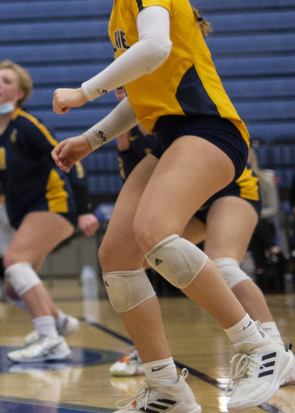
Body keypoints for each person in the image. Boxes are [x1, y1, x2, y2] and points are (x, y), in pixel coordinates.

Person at [52, 0, 294, 413]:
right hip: (168, 136)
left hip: (208, 129)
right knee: (117, 256)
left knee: (154, 231)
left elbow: (156, 49)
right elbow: (141, 93)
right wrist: (89, 140)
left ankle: (259, 347)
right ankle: (165, 386)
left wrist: (85, 91)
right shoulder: (125, 2)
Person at [108, 131, 288, 382]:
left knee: (222, 263)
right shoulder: (126, 134)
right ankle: (147, 353)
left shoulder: (164, 113)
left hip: (230, 189)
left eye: (123, 90)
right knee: (129, 263)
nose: (120, 93)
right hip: (193, 205)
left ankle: (278, 354)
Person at [0, 61, 98, 364]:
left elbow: (70, 160)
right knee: (13, 289)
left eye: (5, 81)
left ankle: (51, 339)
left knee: (13, 260)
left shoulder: (27, 126)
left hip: (55, 204)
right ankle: (60, 322)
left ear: (20, 94)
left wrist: (84, 211)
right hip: (23, 213)